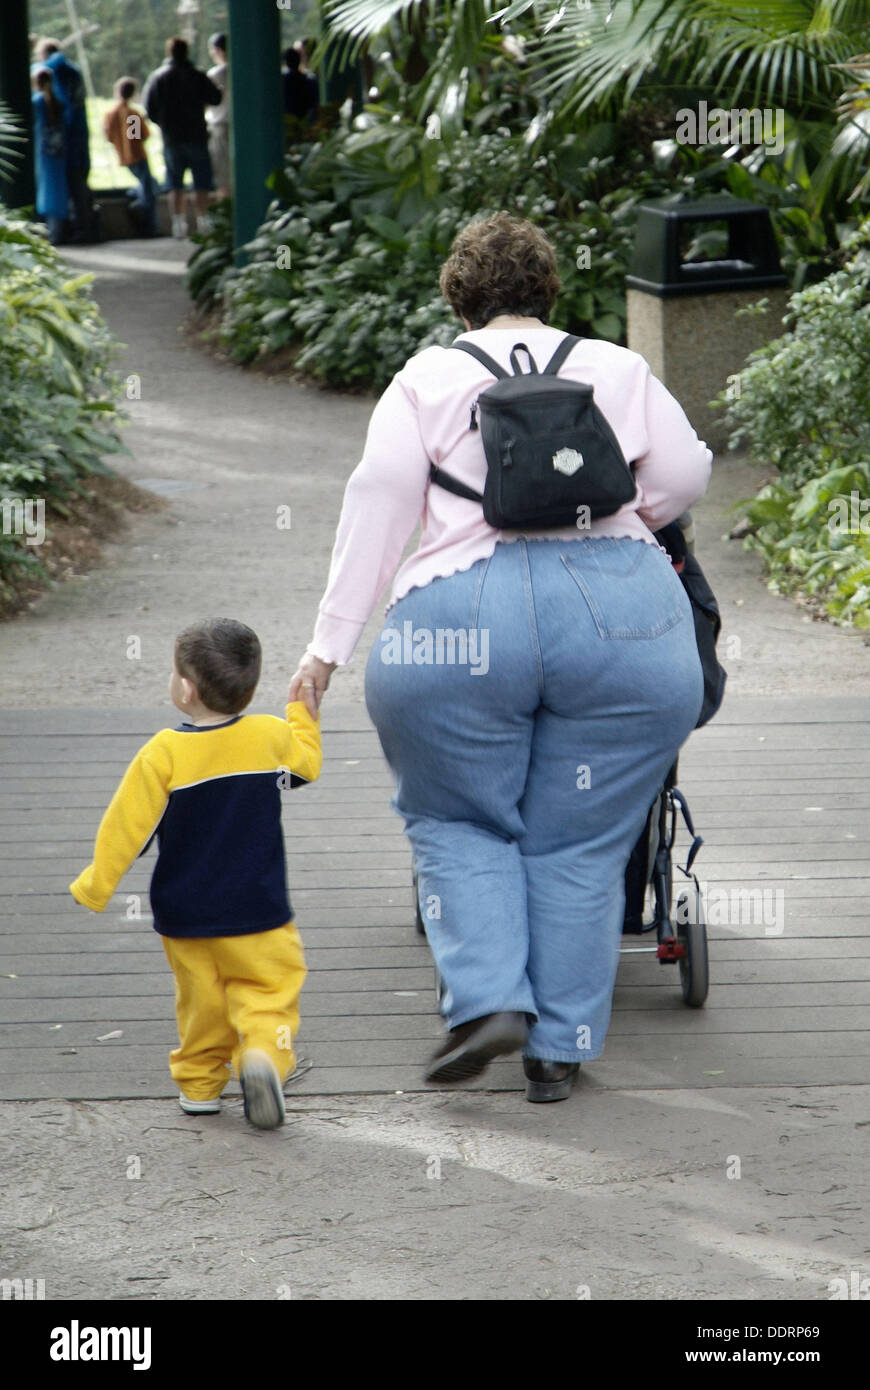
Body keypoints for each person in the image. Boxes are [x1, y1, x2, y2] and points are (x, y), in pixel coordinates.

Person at [289, 213, 712, 1104]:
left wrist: (328, 648)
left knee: (457, 818)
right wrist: (615, 512)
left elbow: (380, 501)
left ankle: (486, 1002)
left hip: (456, 624)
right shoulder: (618, 367)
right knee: (582, 840)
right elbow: (685, 474)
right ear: (550, 290)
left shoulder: (425, 379)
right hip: (622, 619)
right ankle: (560, 1050)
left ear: (460, 300)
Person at [70, 619, 322, 1130]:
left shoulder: (163, 753)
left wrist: (96, 885)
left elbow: (127, 828)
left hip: (185, 916)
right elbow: (304, 768)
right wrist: (300, 713)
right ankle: (262, 1058)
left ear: (186, 689)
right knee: (268, 992)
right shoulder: (269, 736)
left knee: (201, 1002)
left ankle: (200, 1087)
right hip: (258, 909)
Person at [143, 36, 222, 239]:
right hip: (197, 135)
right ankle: (203, 221)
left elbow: (149, 108)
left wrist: (164, 124)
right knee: (201, 182)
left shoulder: (158, 77)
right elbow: (216, 98)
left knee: (174, 182)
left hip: (172, 138)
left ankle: (178, 224)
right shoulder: (197, 75)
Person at [33, 37, 93, 244]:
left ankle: (61, 232)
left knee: (56, 188)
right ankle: (83, 228)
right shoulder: (73, 71)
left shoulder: (48, 74)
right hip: (78, 137)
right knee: (79, 185)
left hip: (57, 144)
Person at [102, 77, 158, 237]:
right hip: (137, 156)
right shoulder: (131, 114)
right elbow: (137, 137)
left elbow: (109, 136)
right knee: (148, 190)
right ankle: (147, 226)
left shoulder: (111, 114)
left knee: (148, 185)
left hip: (124, 156)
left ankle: (137, 203)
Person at [30, 67, 68, 245]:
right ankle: (56, 232)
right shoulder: (59, 102)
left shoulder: (37, 102)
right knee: (57, 191)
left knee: (45, 191)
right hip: (58, 153)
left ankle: (47, 234)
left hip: (43, 153)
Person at [206, 32, 231, 200]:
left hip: (220, 127)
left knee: (223, 174)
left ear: (219, 51)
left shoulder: (216, 74)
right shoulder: (244, 71)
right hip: (241, 126)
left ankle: (226, 206)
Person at [282, 47, 318, 123]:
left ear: (286, 62)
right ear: (299, 60)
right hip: (304, 120)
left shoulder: (283, 81)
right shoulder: (309, 80)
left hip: (288, 120)